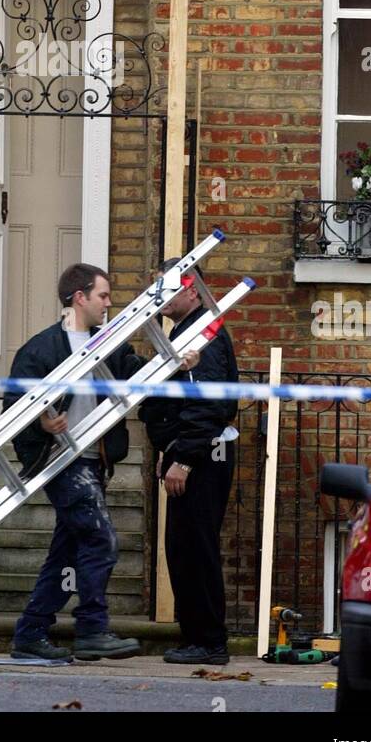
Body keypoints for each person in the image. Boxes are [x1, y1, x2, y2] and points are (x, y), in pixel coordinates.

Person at [8, 263, 198, 663]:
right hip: (62, 461)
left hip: (95, 460)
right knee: (100, 540)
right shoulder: (41, 349)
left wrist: (176, 365)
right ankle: (92, 629)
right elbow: (14, 405)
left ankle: (31, 631)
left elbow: (136, 374)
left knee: (68, 551)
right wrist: (43, 422)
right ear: (80, 297)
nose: (109, 304)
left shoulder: (108, 343)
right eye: (103, 296)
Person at [139, 258, 239, 665]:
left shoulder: (202, 336)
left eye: (169, 289)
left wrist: (184, 460)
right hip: (190, 453)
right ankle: (195, 635)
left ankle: (210, 641)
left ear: (193, 291)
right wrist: (170, 451)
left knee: (196, 548)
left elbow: (206, 407)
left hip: (203, 456)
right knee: (181, 548)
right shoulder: (183, 331)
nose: (160, 298)